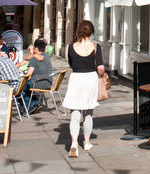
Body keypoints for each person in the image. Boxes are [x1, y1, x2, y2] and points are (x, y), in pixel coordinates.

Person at [62, 19, 105, 158]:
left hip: (76, 79)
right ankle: (86, 143)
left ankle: (74, 143)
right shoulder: (96, 47)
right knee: (88, 112)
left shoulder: (70, 47)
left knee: (75, 112)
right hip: (90, 79)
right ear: (92, 32)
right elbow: (100, 68)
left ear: (79, 31)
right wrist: (102, 74)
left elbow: (71, 63)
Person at [21, 37, 53, 111]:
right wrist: (32, 54)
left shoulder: (33, 59)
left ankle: (32, 105)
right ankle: (35, 103)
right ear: (44, 48)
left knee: (20, 87)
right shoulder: (47, 56)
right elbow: (27, 58)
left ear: (35, 48)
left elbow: (28, 75)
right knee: (25, 86)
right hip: (48, 83)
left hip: (37, 83)